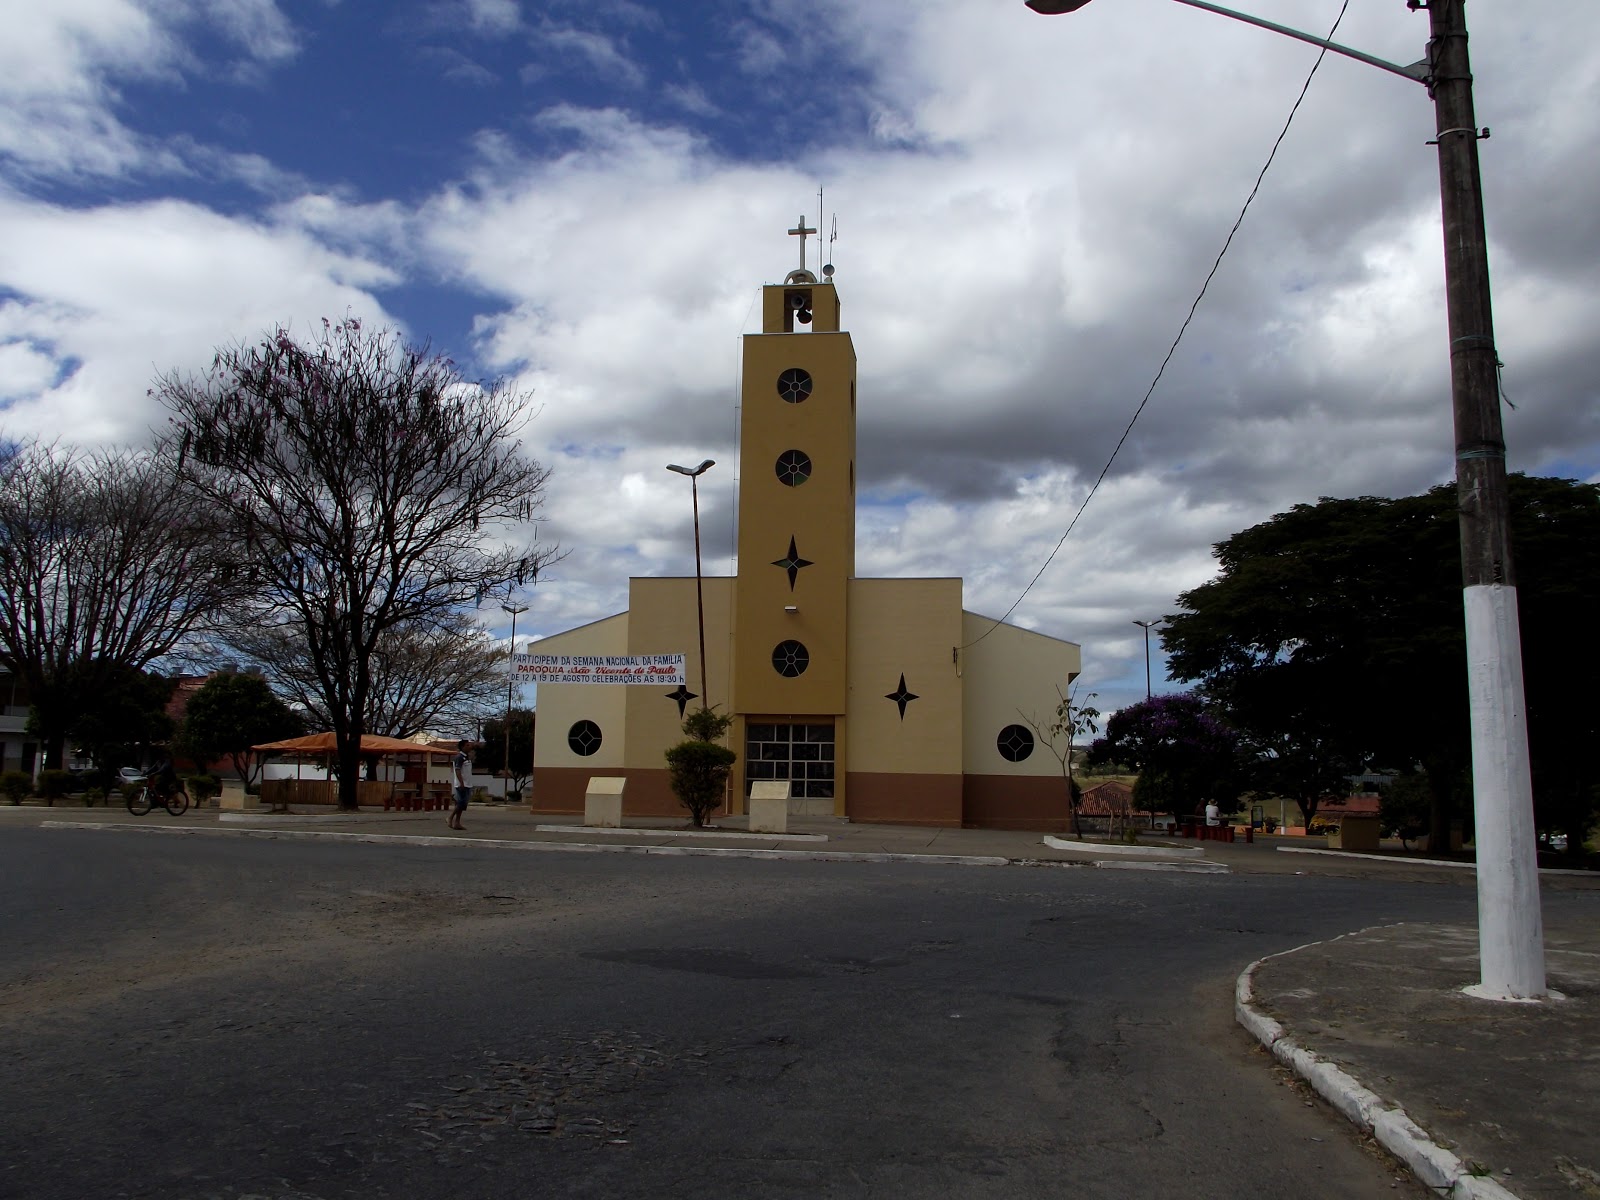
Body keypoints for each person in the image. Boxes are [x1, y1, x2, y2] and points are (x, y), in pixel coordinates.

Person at [448, 739, 471, 830]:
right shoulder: (459, 757)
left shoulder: (467, 757)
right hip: (462, 784)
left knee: (462, 804)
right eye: (467, 745)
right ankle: (450, 817)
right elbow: (457, 771)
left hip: (467, 783)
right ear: (462, 747)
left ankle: (457, 822)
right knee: (461, 803)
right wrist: (461, 782)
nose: (469, 747)